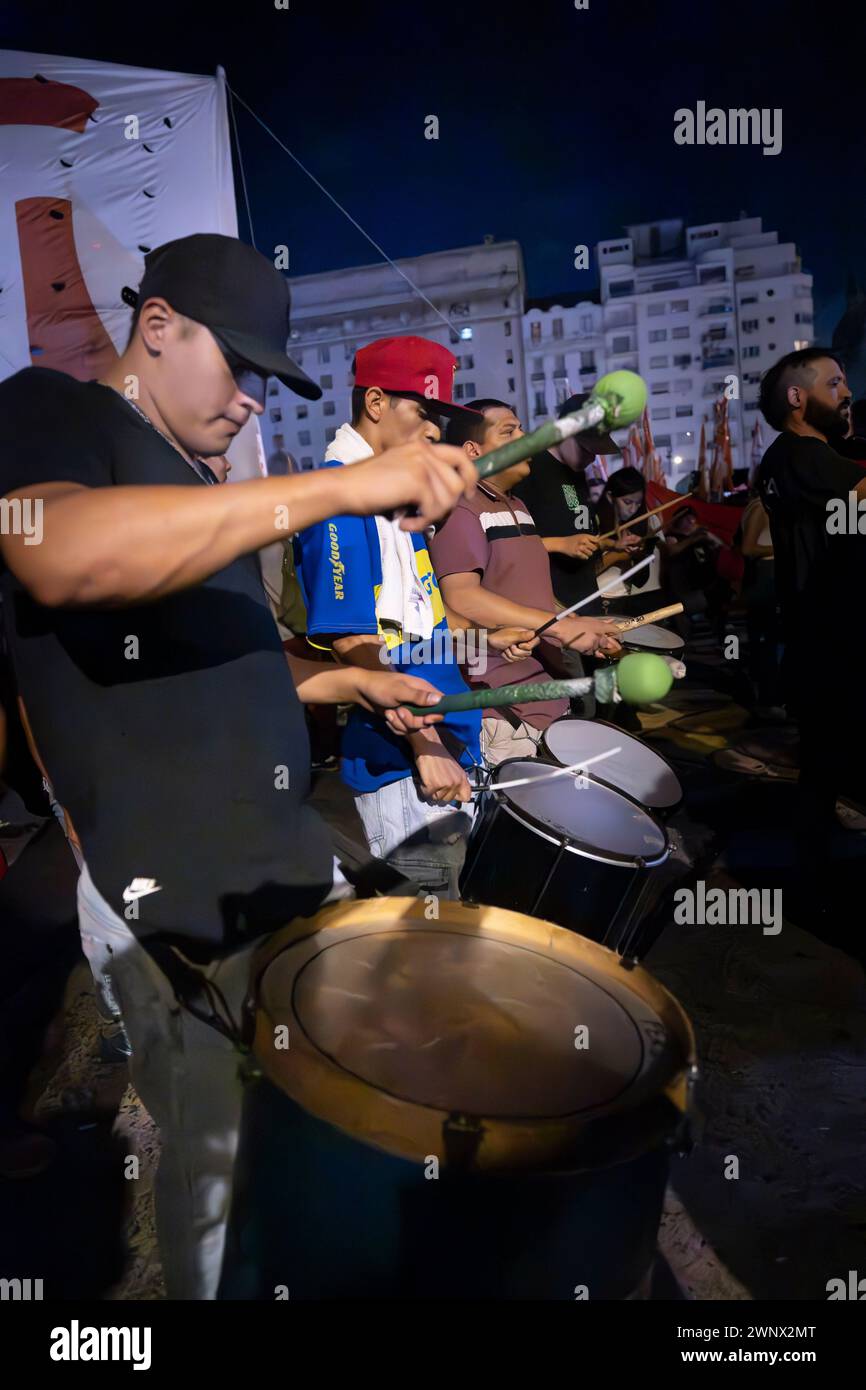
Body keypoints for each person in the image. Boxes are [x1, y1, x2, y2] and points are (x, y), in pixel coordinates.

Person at [0, 233, 482, 1298]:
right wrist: (324, 491)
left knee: (307, 1149)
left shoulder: (188, 481)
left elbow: (219, 661)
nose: (253, 399)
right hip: (169, 887)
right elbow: (58, 552)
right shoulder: (49, 408)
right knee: (227, 1185)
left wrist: (343, 682)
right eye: (242, 366)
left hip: (271, 864)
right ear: (157, 326)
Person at [293, 339, 535, 892]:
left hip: (446, 746)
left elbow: (420, 631)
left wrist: (487, 642)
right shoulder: (339, 502)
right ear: (375, 403)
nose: (434, 432)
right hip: (404, 762)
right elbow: (354, 647)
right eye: (424, 413)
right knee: (427, 951)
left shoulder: (397, 504)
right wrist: (423, 745)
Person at [430, 399, 621, 766]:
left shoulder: (516, 505)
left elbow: (534, 600)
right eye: (510, 431)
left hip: (546, 698)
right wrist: (561, 627)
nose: (525, 437)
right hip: (505, 714)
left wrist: (582, 627)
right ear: (474, 451)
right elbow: (462, 597)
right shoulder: (462, 508)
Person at [755, 347, 866, 893]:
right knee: (826, 767)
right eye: (835, 383)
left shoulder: (795, 459)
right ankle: (816, 884)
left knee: (824, 768)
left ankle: (815, 878)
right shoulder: (801, 455)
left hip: (822, 637)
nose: (846, 392)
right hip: (835, 638)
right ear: (798, 399)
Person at [592, 466, 667, 619]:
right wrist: (617, 555)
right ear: (609, 496)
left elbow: (641, 579)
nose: (633, 509)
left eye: (638, 503)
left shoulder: (648, 521)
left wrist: (641, 554)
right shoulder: (592, 522)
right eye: (627, 502)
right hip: (599, 601)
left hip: (630, 600)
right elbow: (585, 574)